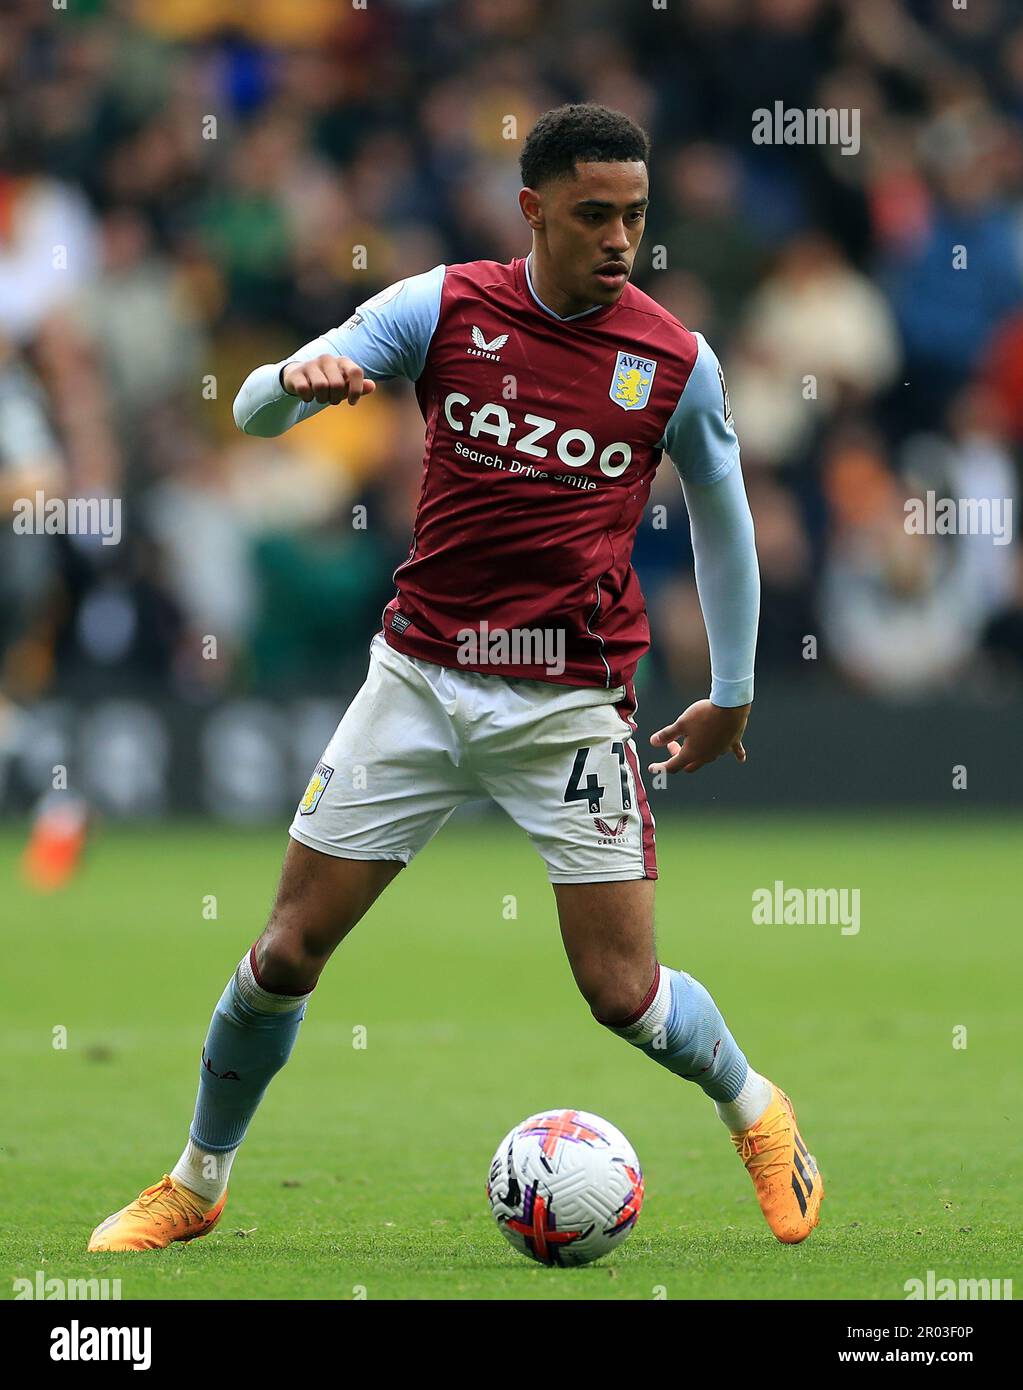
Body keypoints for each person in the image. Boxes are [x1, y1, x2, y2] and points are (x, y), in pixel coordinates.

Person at [89, 104, 822, 1254]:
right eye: (593, 215)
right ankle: (196, 1179)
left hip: (572, 704)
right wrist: (297, 375)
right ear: (532, 210)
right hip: (421, 678)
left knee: (622, 992)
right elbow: (251, 410)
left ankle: (759, 1111)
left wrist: (733, 688)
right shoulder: (443, 305)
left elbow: (724, 516)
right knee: (286, 950)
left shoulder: (672, 359)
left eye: (635, 214)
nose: (620, 237)